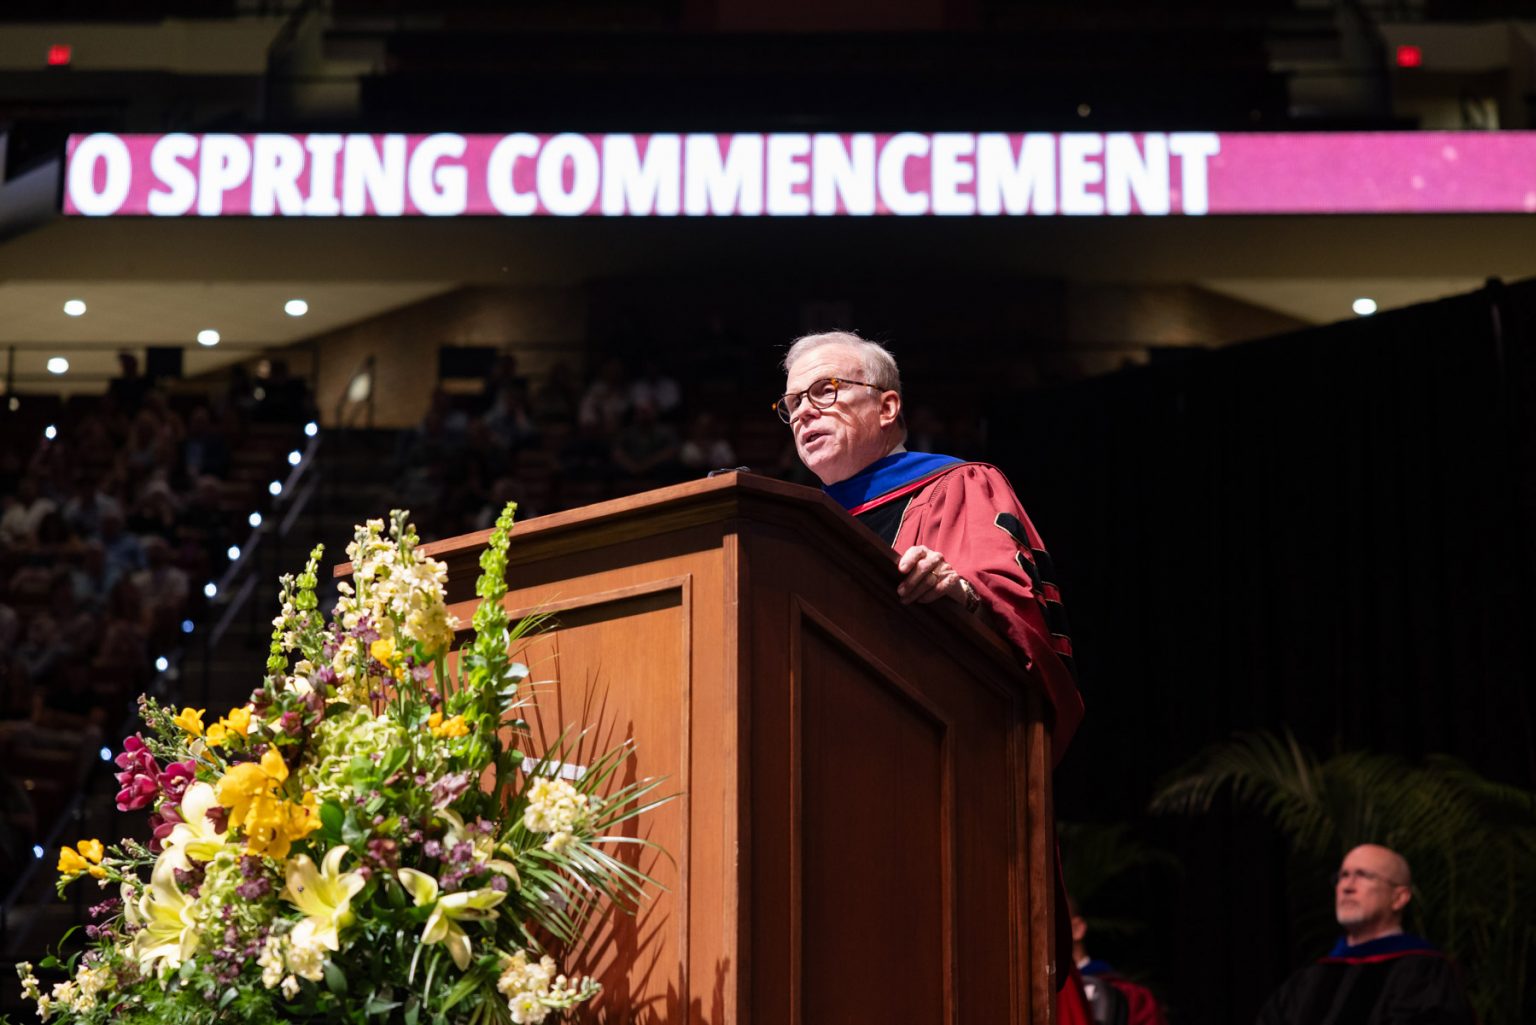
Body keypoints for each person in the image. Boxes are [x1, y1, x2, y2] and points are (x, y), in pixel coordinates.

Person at [778, 330, 1085, 997]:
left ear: (887, 407)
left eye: (825, 390)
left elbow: (1025, 623)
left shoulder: (962, 485)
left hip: (936, 791)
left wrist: (960, 593)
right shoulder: (790, 528)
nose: (803, 409)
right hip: (813, 793)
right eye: (792, 400)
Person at [1256, 844, 1475, 1025]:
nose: (1347, 887)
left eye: (1363, 875)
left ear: (1399, 898)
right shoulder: (1308, 980)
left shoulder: (1423, 973)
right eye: (1343, 876)